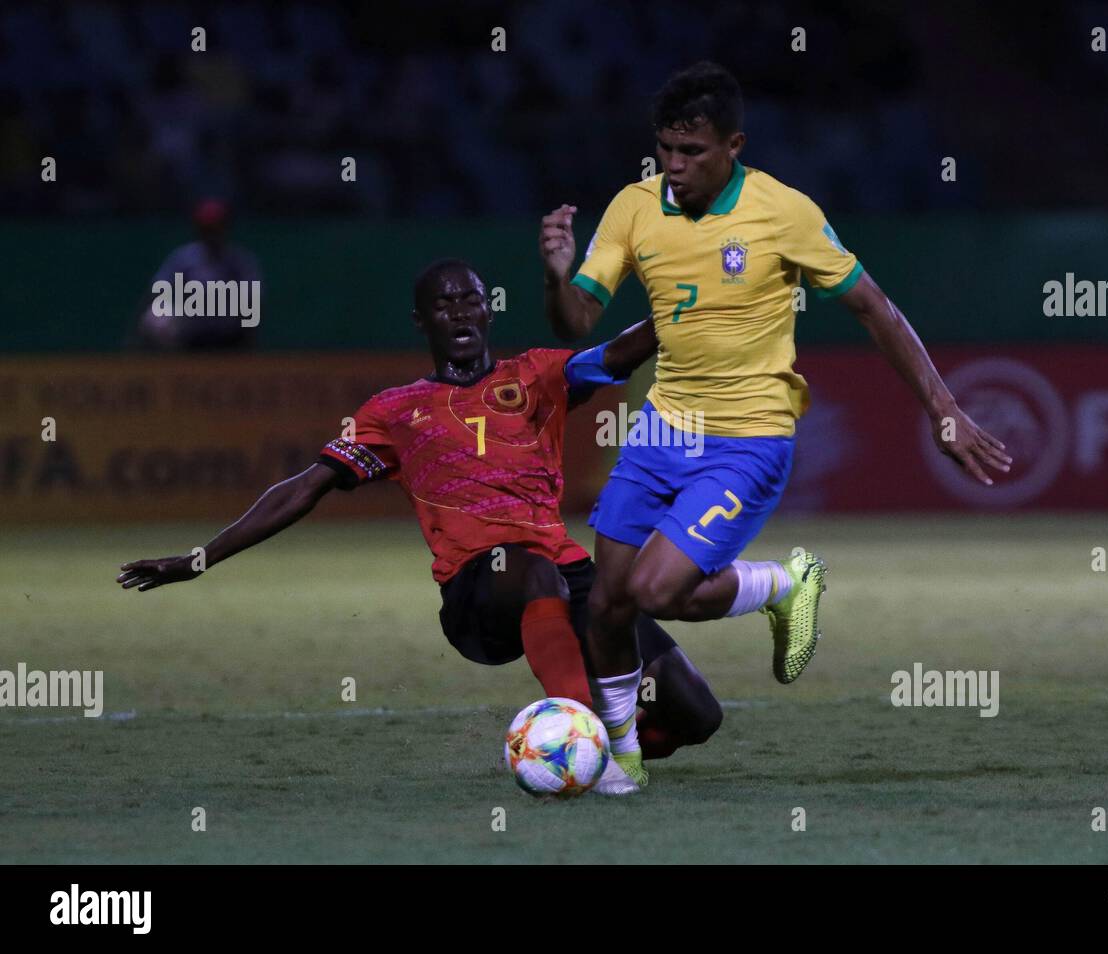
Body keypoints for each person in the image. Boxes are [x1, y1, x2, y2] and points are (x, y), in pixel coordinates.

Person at [539, 62, 1011, 789]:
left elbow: (874, 308)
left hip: (747, 437)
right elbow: (578, 320)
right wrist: (558, 274)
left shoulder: (782, 211)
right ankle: (622, 759)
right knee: (606, 604)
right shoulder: (635, 208)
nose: (674, 166)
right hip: (663, 429)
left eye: (691, 152)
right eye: (665, 148)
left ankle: (781, 586)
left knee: (657, 593)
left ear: (734, 146)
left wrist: (944, 409)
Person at [117, 259, 722, 795]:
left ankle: (623, 735)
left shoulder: (536, 376)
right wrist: (200, 557)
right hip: (477, 592)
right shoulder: (393, 412)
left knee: (697, 713)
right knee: (531, 570)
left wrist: (689, 308)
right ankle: (586, 740)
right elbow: (304, 488)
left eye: (470, 298)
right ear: (421, 320)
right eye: (443, 302)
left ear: (488, 309)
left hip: (565, 572)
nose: (459, 310)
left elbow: (615, 355)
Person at [134, 198, 262, 350]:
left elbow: (253, 304)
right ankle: (168, 365)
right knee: (156, 318)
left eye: (217, 228)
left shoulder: (239, 261)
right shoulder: (185, 257)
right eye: (207, 229)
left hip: (229, 335)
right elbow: (157, 291)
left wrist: (250, 340)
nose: (212, 234)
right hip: (192, 335)